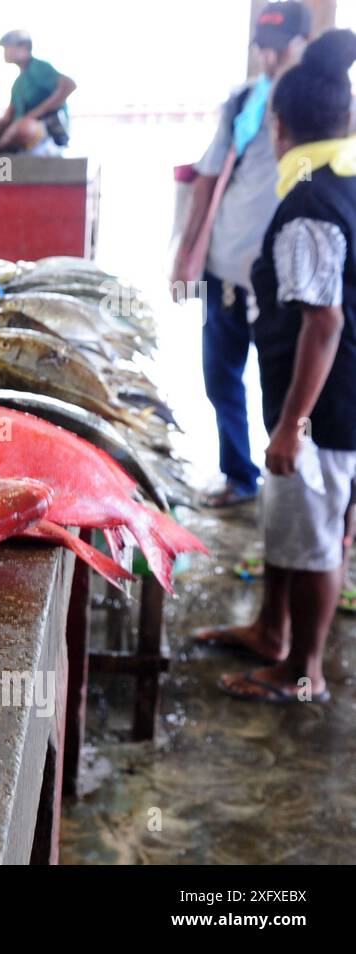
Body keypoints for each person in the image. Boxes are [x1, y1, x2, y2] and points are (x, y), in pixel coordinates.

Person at [195, 28, 356, 705]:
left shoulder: (307, 204)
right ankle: (270, 629)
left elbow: (324, 321)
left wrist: (293, 426)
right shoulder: (343, 178)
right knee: (293, 521)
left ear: (280, 127)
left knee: (316, 539)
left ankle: (301, 671)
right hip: (323, 397)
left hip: (321, 408)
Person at [172, 2, 312, 507]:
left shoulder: (321, 107)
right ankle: (239, 474)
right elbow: (208, 179)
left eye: (280, 44)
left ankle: (292, 482)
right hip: (227, 266)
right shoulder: (244, 102)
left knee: (287, 385)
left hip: (289, 279)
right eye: (262, 44)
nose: (269, 55)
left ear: (303, 44)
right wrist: (187, 254)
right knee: (221, 377)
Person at [0, 30, 74, 154]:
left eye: (8, 47)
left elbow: (69, 85)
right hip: (19, 129)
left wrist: (35, 114)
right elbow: (7, 118)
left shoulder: (38, 67)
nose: (5, 52)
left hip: (46, 131)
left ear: (25, 47)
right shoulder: (18, 83)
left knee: (24, 127)